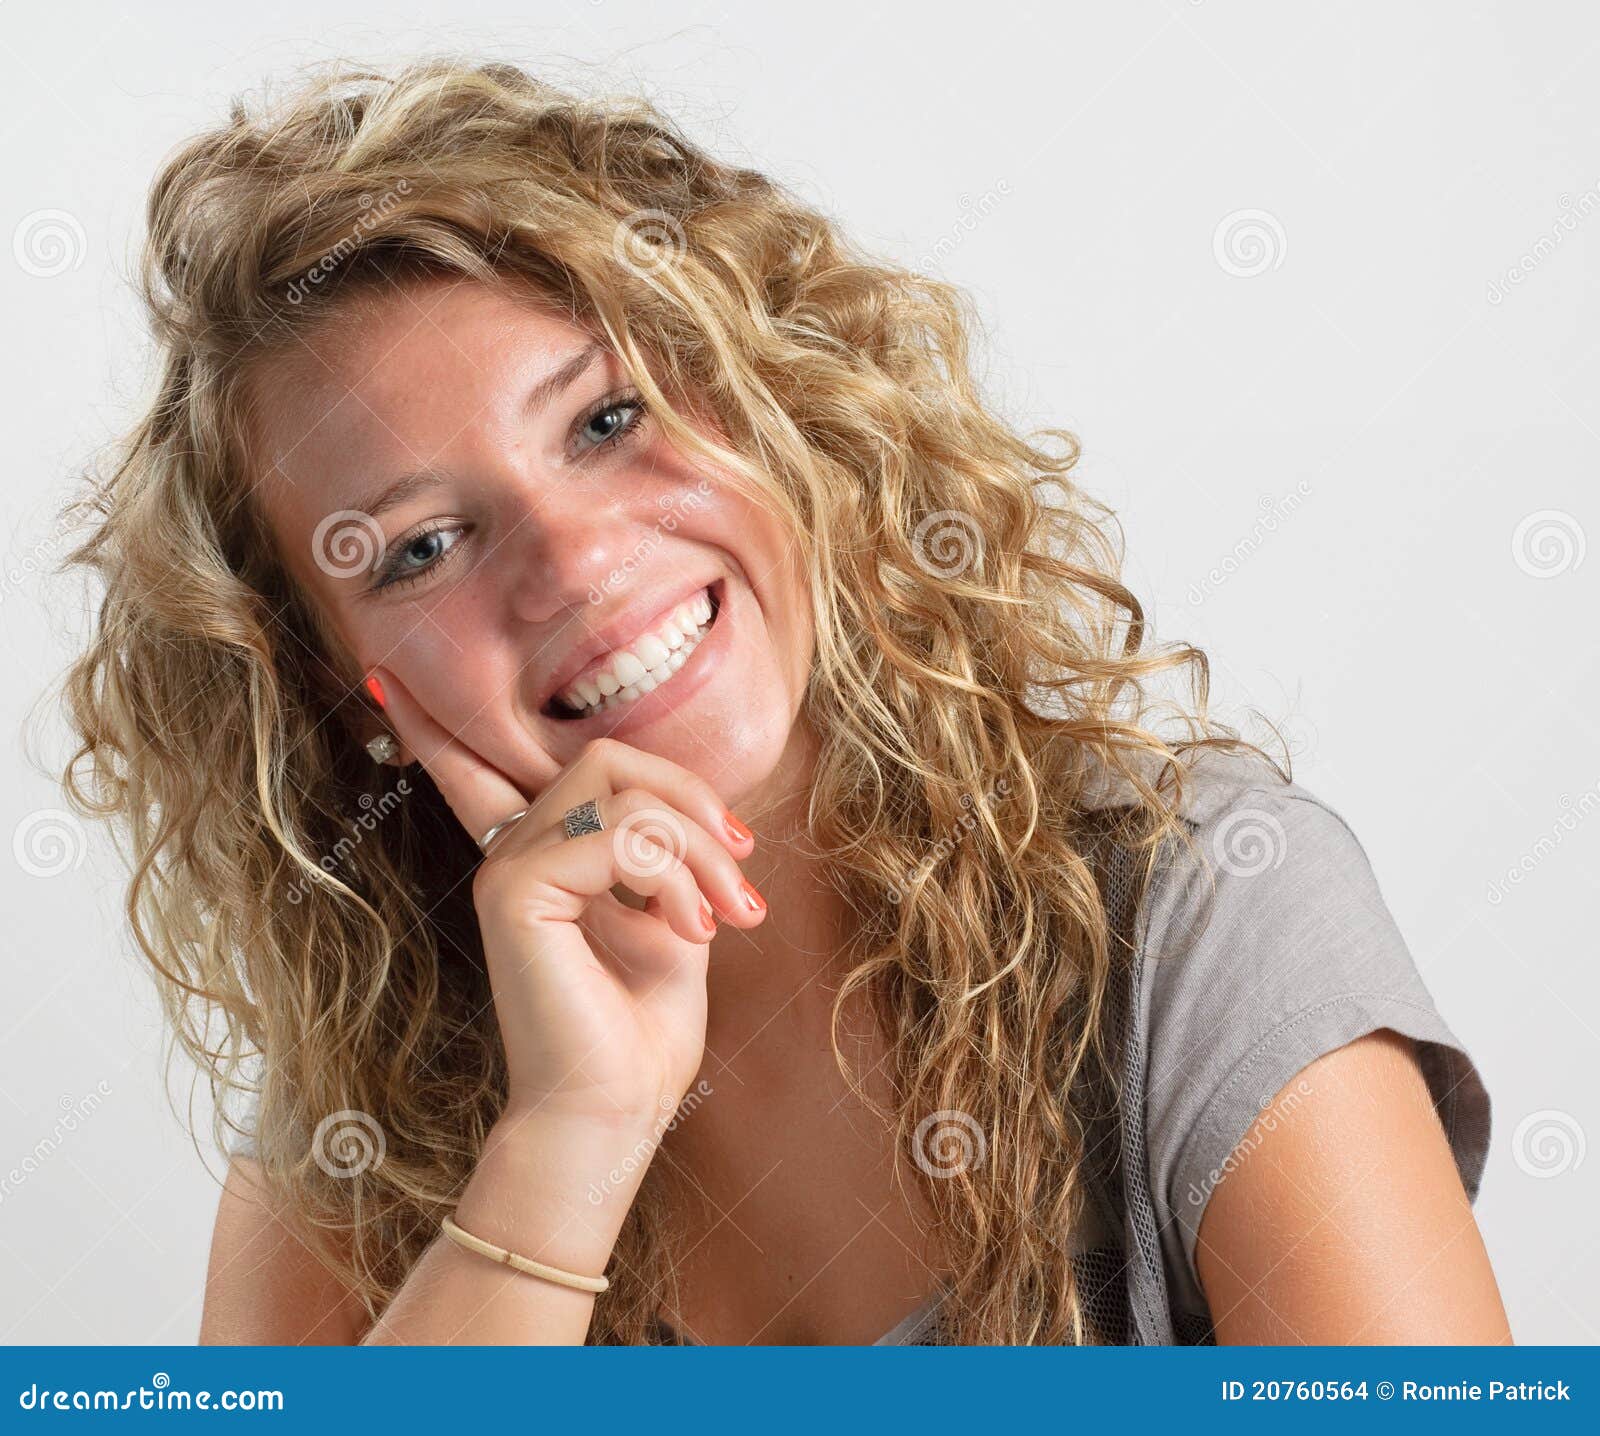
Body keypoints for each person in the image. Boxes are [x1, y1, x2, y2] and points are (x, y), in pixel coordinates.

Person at [56, 56, 1509, 1346]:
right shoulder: (363, 1111)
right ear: (348, 694)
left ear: (771, 405)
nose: (575, 562)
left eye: (607, 420)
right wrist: (574, 1132)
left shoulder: (1205, 920)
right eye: (425, 545)